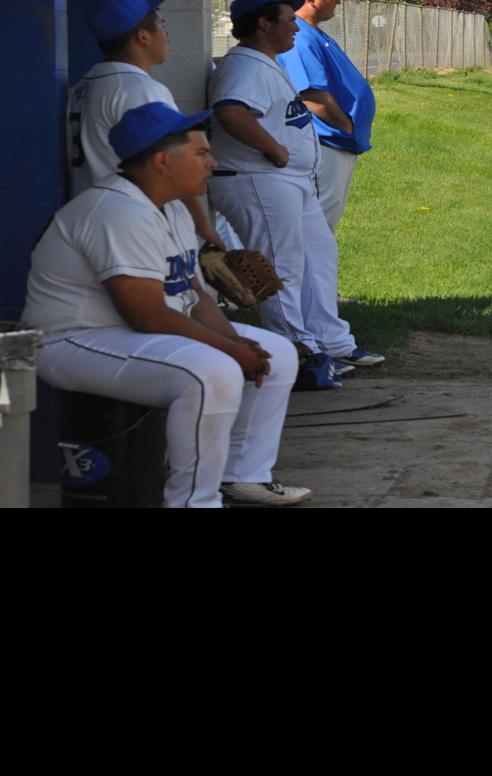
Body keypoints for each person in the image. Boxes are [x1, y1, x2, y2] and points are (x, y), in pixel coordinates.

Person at [22, 102, 310, 508]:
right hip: (70, 340)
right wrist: (231, 351)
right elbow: (146, 313)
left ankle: (243, 475)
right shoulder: (116, 210)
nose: (211, 163)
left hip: (128, 334)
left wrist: (239, 343)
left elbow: (192, 298)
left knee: (277, 353)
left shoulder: (172, 208)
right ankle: (193, 502)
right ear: (161, 161)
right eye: (201, 153)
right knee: (212, 373)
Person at [208, 0, 382, 391]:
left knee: (319, 255)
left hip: (286, 181)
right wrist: (275, 149)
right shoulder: (245, 63)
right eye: (289, 21)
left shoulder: (265, 59)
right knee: (280, 268)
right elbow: (231, 112)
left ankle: (331, 342)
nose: (297, 28)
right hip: (257, 178)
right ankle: (299, 354)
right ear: (265, 24)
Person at [68, 0, 228, 254]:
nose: (167, 34)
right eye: (162, 26)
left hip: (101, 213)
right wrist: (202, 225)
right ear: (143, 36)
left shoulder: (87, 83)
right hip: (133, 218)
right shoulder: (138, 88)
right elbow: (174, 163)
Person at [277, 0, 373, 233]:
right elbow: (312, 97)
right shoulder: (300, 37)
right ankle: (304, 270)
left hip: (337, 143)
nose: (339, 1)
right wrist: (345, 126)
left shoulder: (312, 32)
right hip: (325, 144)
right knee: (316, 227)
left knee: (324, 223)